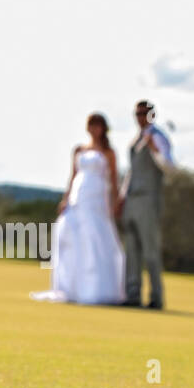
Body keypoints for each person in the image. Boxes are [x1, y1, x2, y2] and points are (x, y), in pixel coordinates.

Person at [31, 113, 125, 305]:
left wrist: (115, 202)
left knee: (94, 239)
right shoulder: (79, 149)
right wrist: (65, 199)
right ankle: (70, 286)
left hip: (97, 198)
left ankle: (95, 288)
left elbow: (113, 179)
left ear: (103, 128)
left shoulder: (109, 152)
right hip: (78, 196)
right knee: (70, 236)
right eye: (91, 125)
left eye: (97, 125)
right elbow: (72, 176)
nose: (94, 129)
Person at [116, 100, 172, 310]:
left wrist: (154, 149)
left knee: (150, 250)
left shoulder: (158, 137)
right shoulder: (134, 140)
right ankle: (133, 295)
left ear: (152, 115)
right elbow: (131, 171)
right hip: (132, 200)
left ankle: (156, 297)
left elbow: (170, 167)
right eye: (137, 113)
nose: (140, 117)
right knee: (131, 249)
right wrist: (122, 197)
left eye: (144, 113)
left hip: (149, 199)